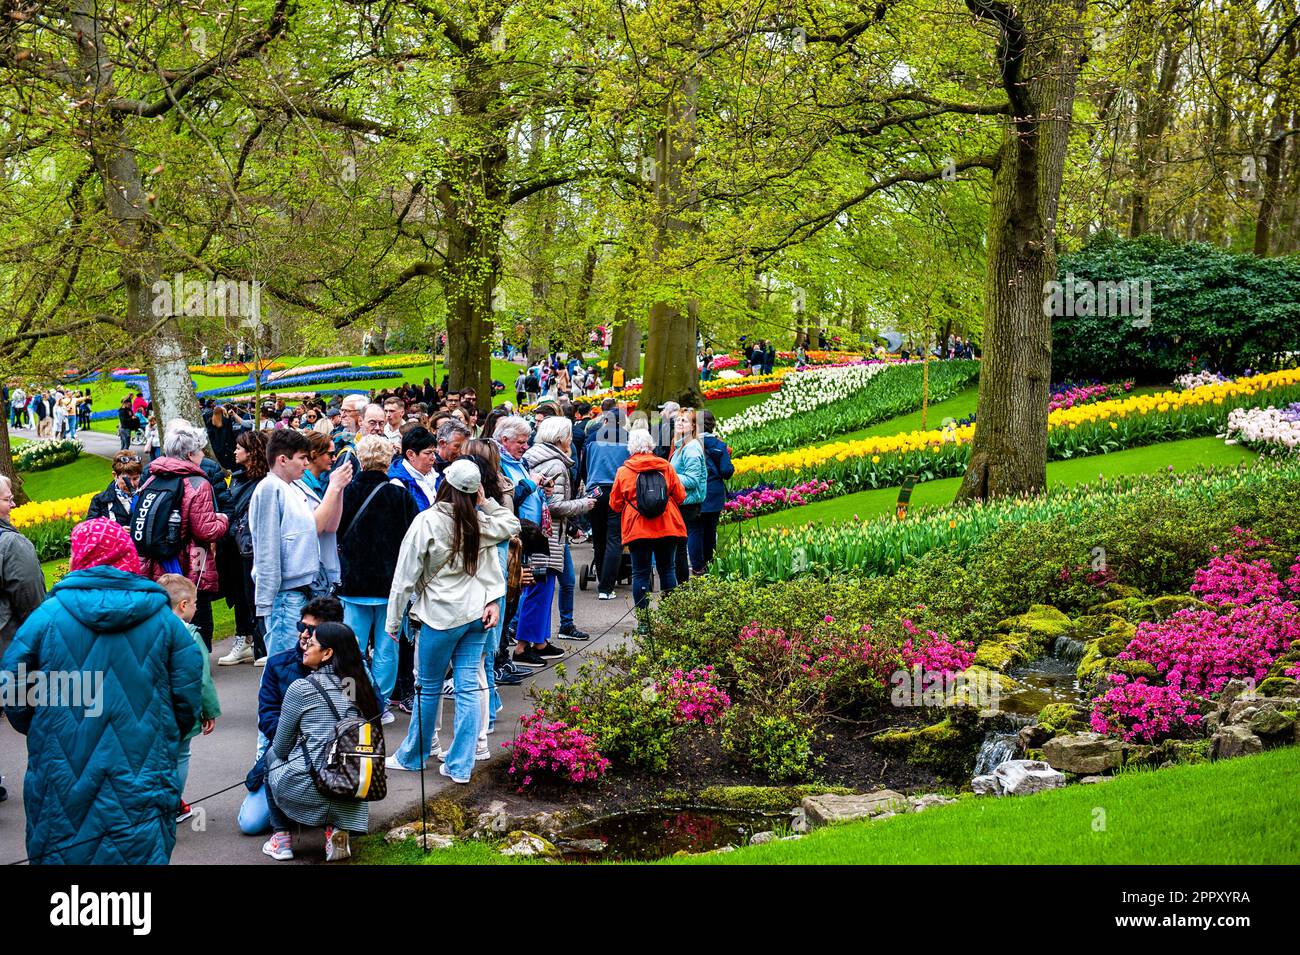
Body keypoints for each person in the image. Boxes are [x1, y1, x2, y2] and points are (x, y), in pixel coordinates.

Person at [1, 518, 202, 864]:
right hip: (142, 765)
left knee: (65, 854)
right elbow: (187, 695)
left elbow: (15, 688)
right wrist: (166, 732)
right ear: (126, 554)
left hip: (63, 766)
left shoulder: (46, 618)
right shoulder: (164, 620)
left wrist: (44, 726)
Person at [384, 459, 519, 782]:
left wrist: (392, 622)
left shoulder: (427, 521)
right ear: (474, 492)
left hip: (440, 616)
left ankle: (414, 755)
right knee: (468, 687)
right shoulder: (480, 522)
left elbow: (404, 578)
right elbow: (511, 525)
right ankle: (460, 765)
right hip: (476, 615)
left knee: (428, 687)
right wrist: (484, 501)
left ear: (445, 485)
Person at [263, 621, 377, 862]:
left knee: (271, 757)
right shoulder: (358, 686)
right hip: (353, 785)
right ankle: (336, 830)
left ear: (327, 653)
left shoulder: (302, 688)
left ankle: (281, 839)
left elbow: (282, 747)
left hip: (311, 785)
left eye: (311, 644)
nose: (304, 646)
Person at [239, 596, 343, 835]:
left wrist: (356, 665)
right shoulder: (278, 665)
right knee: (250, 823)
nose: (304, 635)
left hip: (333, 758)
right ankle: (292, 814)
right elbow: (267, 717)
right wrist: (299, 742)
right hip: (287, 752)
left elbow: (369, 712)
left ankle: (320, 814)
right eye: (301, 627)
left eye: (312, 630)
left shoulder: (348, 669)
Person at [338, 435, 418, 717]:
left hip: (353, 582)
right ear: (388, 461)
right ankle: (378, 704)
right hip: (389, 584)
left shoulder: (345, 492)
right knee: (387, 650)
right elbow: (412, 541)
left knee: (350, 650)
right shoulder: (400, 496)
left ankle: (351, 701)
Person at [137, 420, 230, 651]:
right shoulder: (197, 483)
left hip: (158, 559)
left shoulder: (153, 477)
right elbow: (205, 529)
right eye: (199, 450)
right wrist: (223, 520)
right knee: (196, 608)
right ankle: (197, 660)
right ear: (190, 453)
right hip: (191, 562)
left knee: (165, 608)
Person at [250, 429, 342, 658]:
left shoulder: (292, 487)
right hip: (284, 595)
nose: (306, 463)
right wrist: (266, 602)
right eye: (302, 458)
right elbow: (267, 548)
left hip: (299, 590)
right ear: (283, 459)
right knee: (282, 666)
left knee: (296, 664)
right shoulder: (270, 488)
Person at [519, 416, 594, 663]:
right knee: (539, 589)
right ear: (561, 439)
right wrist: (585, 504)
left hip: (541, 532)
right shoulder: (556, 465)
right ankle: (525, 645)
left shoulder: (536, 456)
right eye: (569, 436)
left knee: (542, 588)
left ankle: (539, 641)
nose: (571, 442)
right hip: (547, 536)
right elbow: (555, 506)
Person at [158, 574, 220, 822]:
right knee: (181, 755)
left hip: (153, 709)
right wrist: (209, 710)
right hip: (180, 708)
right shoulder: (190, 636)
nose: (196, 607)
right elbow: (202, 678)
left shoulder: (150, 631)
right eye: (195, 603)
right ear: (183, 605)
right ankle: (172, 804)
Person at [609, 428, 687, 617]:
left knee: (640, 573)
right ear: (651, 445)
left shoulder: (624, 471)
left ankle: (644, 621)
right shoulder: (665, 466)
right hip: (667, 525)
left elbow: (615, 504)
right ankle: (671, 616)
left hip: (638, 529)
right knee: (668, 570)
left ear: (631, 448)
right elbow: (681, 496)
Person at [217, 431, 269, 666]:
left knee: (254, 595)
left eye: (240, 448)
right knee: (238, 593)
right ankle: (244, 639)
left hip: (252, 545)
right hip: (234, 543)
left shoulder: (264, 481)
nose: (235, 451)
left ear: (252, 453)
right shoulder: (238, 477)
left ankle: (262, 644)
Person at [584, 402, 631, 599]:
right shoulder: (628, 439)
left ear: (605, 420)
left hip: (595, 490)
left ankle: (602, 577)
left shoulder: (592, 438)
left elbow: (584, 468)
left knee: (599, 536)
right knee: (615, 539)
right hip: (617, 489)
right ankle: (606, 586)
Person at [669, 408, 708, 582]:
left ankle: (683, 588)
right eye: (677, 420)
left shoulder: (691, 448)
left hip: (687, 504)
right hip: (682, 502)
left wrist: (668, 477)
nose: (679, 423)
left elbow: (692, 479)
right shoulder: (681, 446)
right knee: (678, 547)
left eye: (684, 421)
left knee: (679, 548)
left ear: (693, 426)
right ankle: (681, 588)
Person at [693, 409, 734, 573]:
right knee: (710, 529)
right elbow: (726, 471)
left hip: (695, 492)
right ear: (713, 425)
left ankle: (697, 567)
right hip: (714, 492)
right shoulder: (719, 445)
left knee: (695, 530)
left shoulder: (690, 444)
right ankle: (709, 563)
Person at [386, 426, 440, 509]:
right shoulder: (398, 486)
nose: (434, 458)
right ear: (410, 454)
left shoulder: (437, 477)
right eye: (428, 453)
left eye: (434, 452)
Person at [86, 452, 142, 526]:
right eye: (126, 480)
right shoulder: (100, 501)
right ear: (115, 475)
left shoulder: (146, 496)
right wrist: (117, 531)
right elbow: (91, 529)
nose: (131, 484)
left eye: (135, 478)